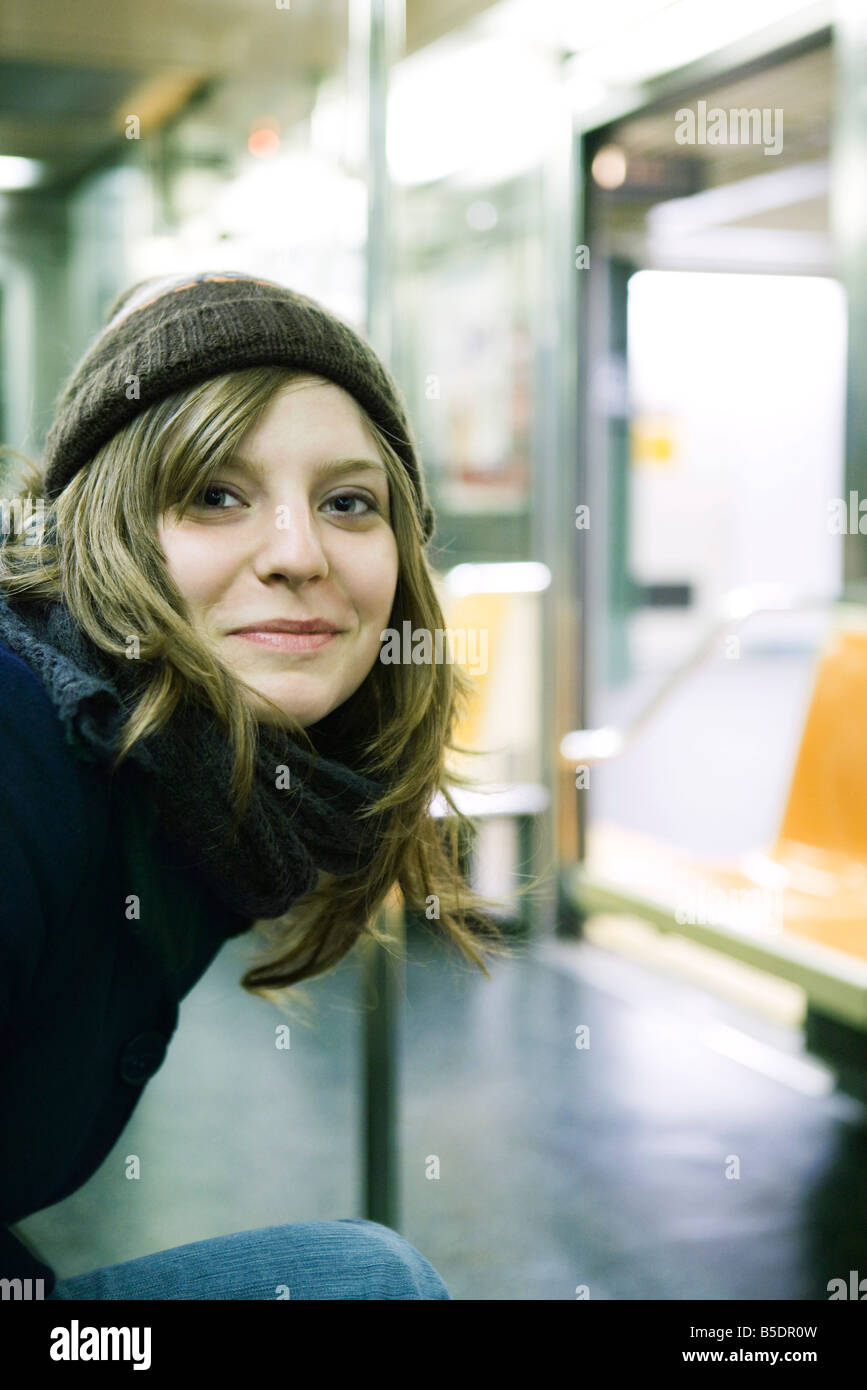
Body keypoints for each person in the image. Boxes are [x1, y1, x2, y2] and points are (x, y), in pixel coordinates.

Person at [0, 271, 515, 1300]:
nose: (299, 553)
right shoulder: (21, 739)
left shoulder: (197, 781)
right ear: (101, 531)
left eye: (348, 503)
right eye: (215, 494)